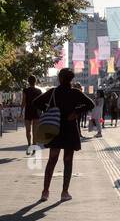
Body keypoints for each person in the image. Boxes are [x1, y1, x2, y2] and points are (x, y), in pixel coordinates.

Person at [36, 68, 94, 202]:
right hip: (69, 128)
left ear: (60, 78)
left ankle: (45, 192)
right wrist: (76, 111)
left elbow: (36, 102)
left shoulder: (53, 92)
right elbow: (91, 104)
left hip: (54, 128)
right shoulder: (75, 92)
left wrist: (49, 109)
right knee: (68, 161)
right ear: (71, 79)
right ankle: (64, 192)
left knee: (52, 160)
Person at [22, 75, 43, 152]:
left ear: (28, 81)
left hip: (28, 111)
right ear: (35, 81)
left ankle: (29, 144)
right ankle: (34, 145)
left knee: (28, 130)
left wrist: (21, 111)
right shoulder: (39, 91)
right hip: (36, 112)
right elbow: (41, 103)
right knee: (35, 130)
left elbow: (23, 101)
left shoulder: (25, 90)